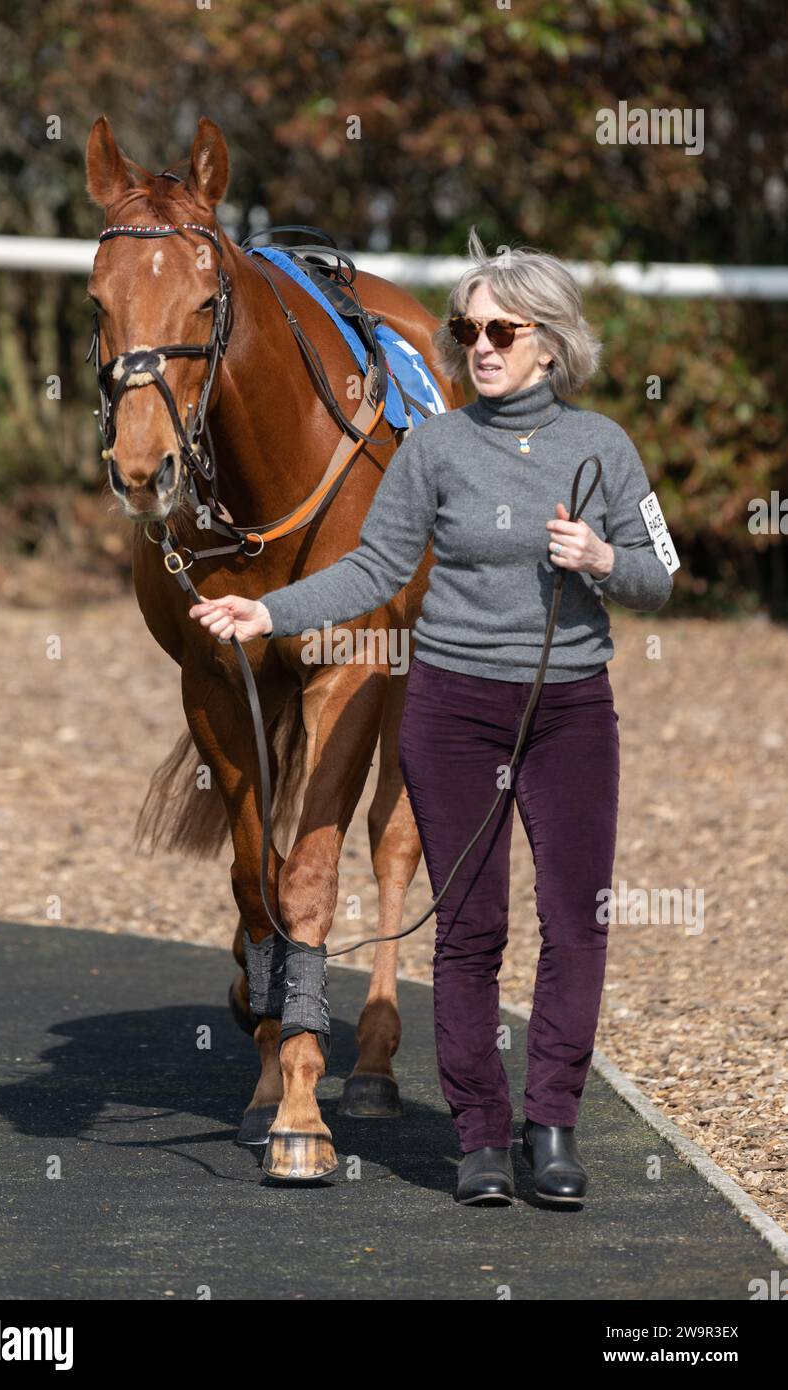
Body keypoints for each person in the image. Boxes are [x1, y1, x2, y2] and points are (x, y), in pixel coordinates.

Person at [188, 232, 673, 1207]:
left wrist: (599, 561)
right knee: (467, 930)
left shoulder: (603, 447)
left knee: (575, 924)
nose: (479, 346)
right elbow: (372, 570)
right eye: (465, 330)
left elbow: (658, 573)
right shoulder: (434, 445)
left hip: (569, 711)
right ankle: (481, 1137)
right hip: (452, 710)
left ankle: (551, 1125)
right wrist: (267, 611)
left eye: (501, 329)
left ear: (550, 343)